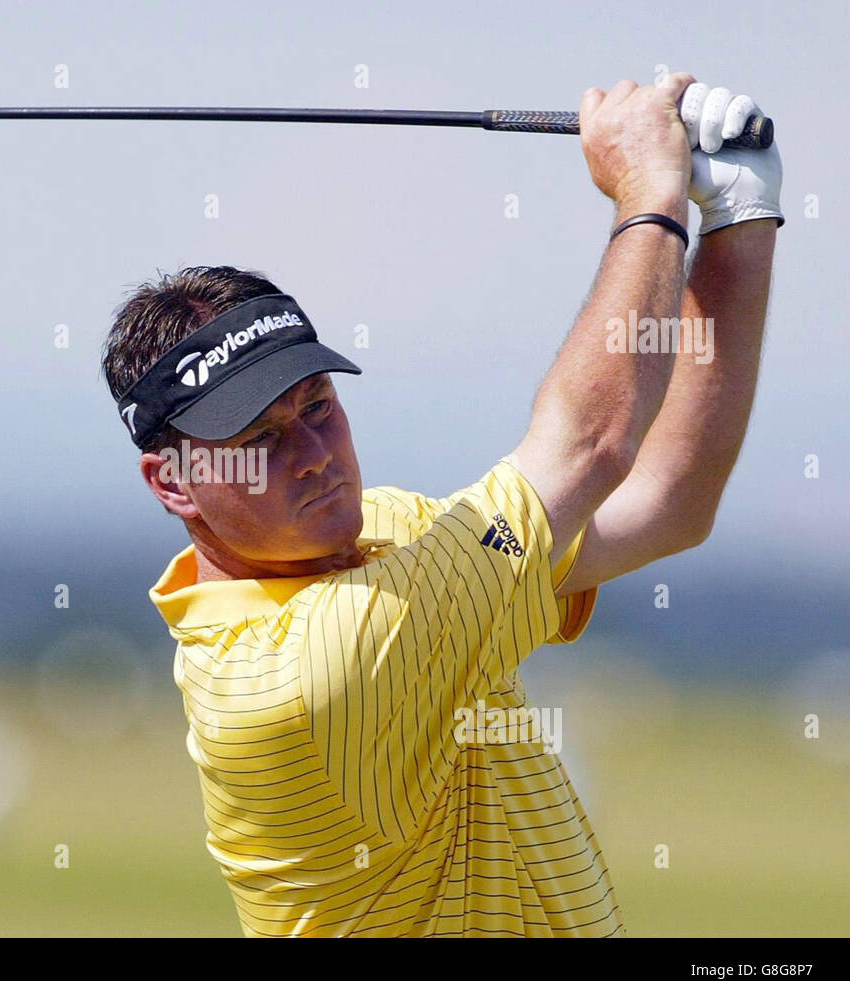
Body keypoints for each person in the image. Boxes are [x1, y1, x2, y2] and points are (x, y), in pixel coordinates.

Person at [100, 73, 781, 937]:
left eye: (317, 408)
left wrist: (739, 221)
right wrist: (648, 195)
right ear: (171, 483)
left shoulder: (384, 535)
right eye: (260, 441)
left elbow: (668, 498)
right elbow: (590, 446)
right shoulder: (303, 677)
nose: (315, 458)